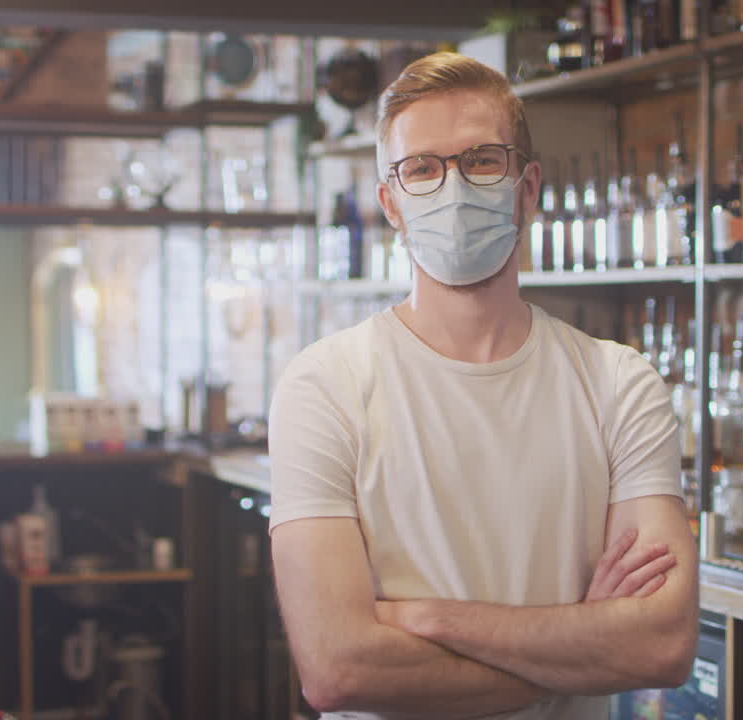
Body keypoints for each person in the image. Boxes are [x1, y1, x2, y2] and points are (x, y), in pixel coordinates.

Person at [268, 51, 698, 719]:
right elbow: (338, 669)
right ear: (391, 203)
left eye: (481, 161)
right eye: (422, 168)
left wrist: (433, 619)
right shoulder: (325, 386)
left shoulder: (620, 384)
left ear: (527, 189)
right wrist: (584, 645)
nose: (453, 188)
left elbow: (663, 645)